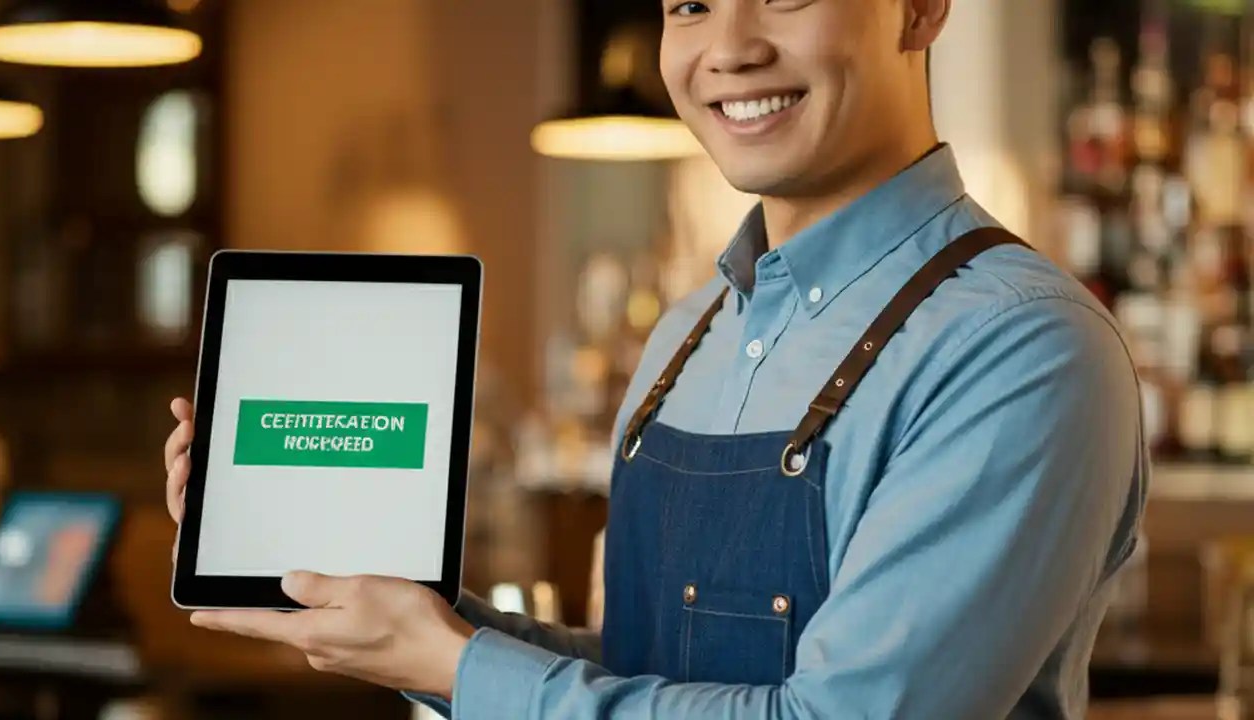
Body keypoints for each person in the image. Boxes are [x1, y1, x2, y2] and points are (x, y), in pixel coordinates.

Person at [163, 0, 1147, 717]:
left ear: (920, 9)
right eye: (689, 4)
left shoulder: (1017, 348)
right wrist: (402, 612)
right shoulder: (689, 334)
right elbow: (653, 675)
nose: (729, 48)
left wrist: (452, 665)